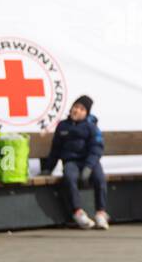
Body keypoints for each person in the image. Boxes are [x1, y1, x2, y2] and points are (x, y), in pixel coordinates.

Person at [41, 95, 109, 230]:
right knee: (69, 177)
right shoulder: (62, 126)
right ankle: (78, 212)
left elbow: (97, 148)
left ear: (86, 113)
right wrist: (48, 168)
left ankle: (101, 213)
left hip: (90, 162)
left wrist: (89, 167)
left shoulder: (91, 127)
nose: (77, 111)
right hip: (71, 161)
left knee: (99, 179)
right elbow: (56, 149)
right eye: (75, 107)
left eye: (81, 109)